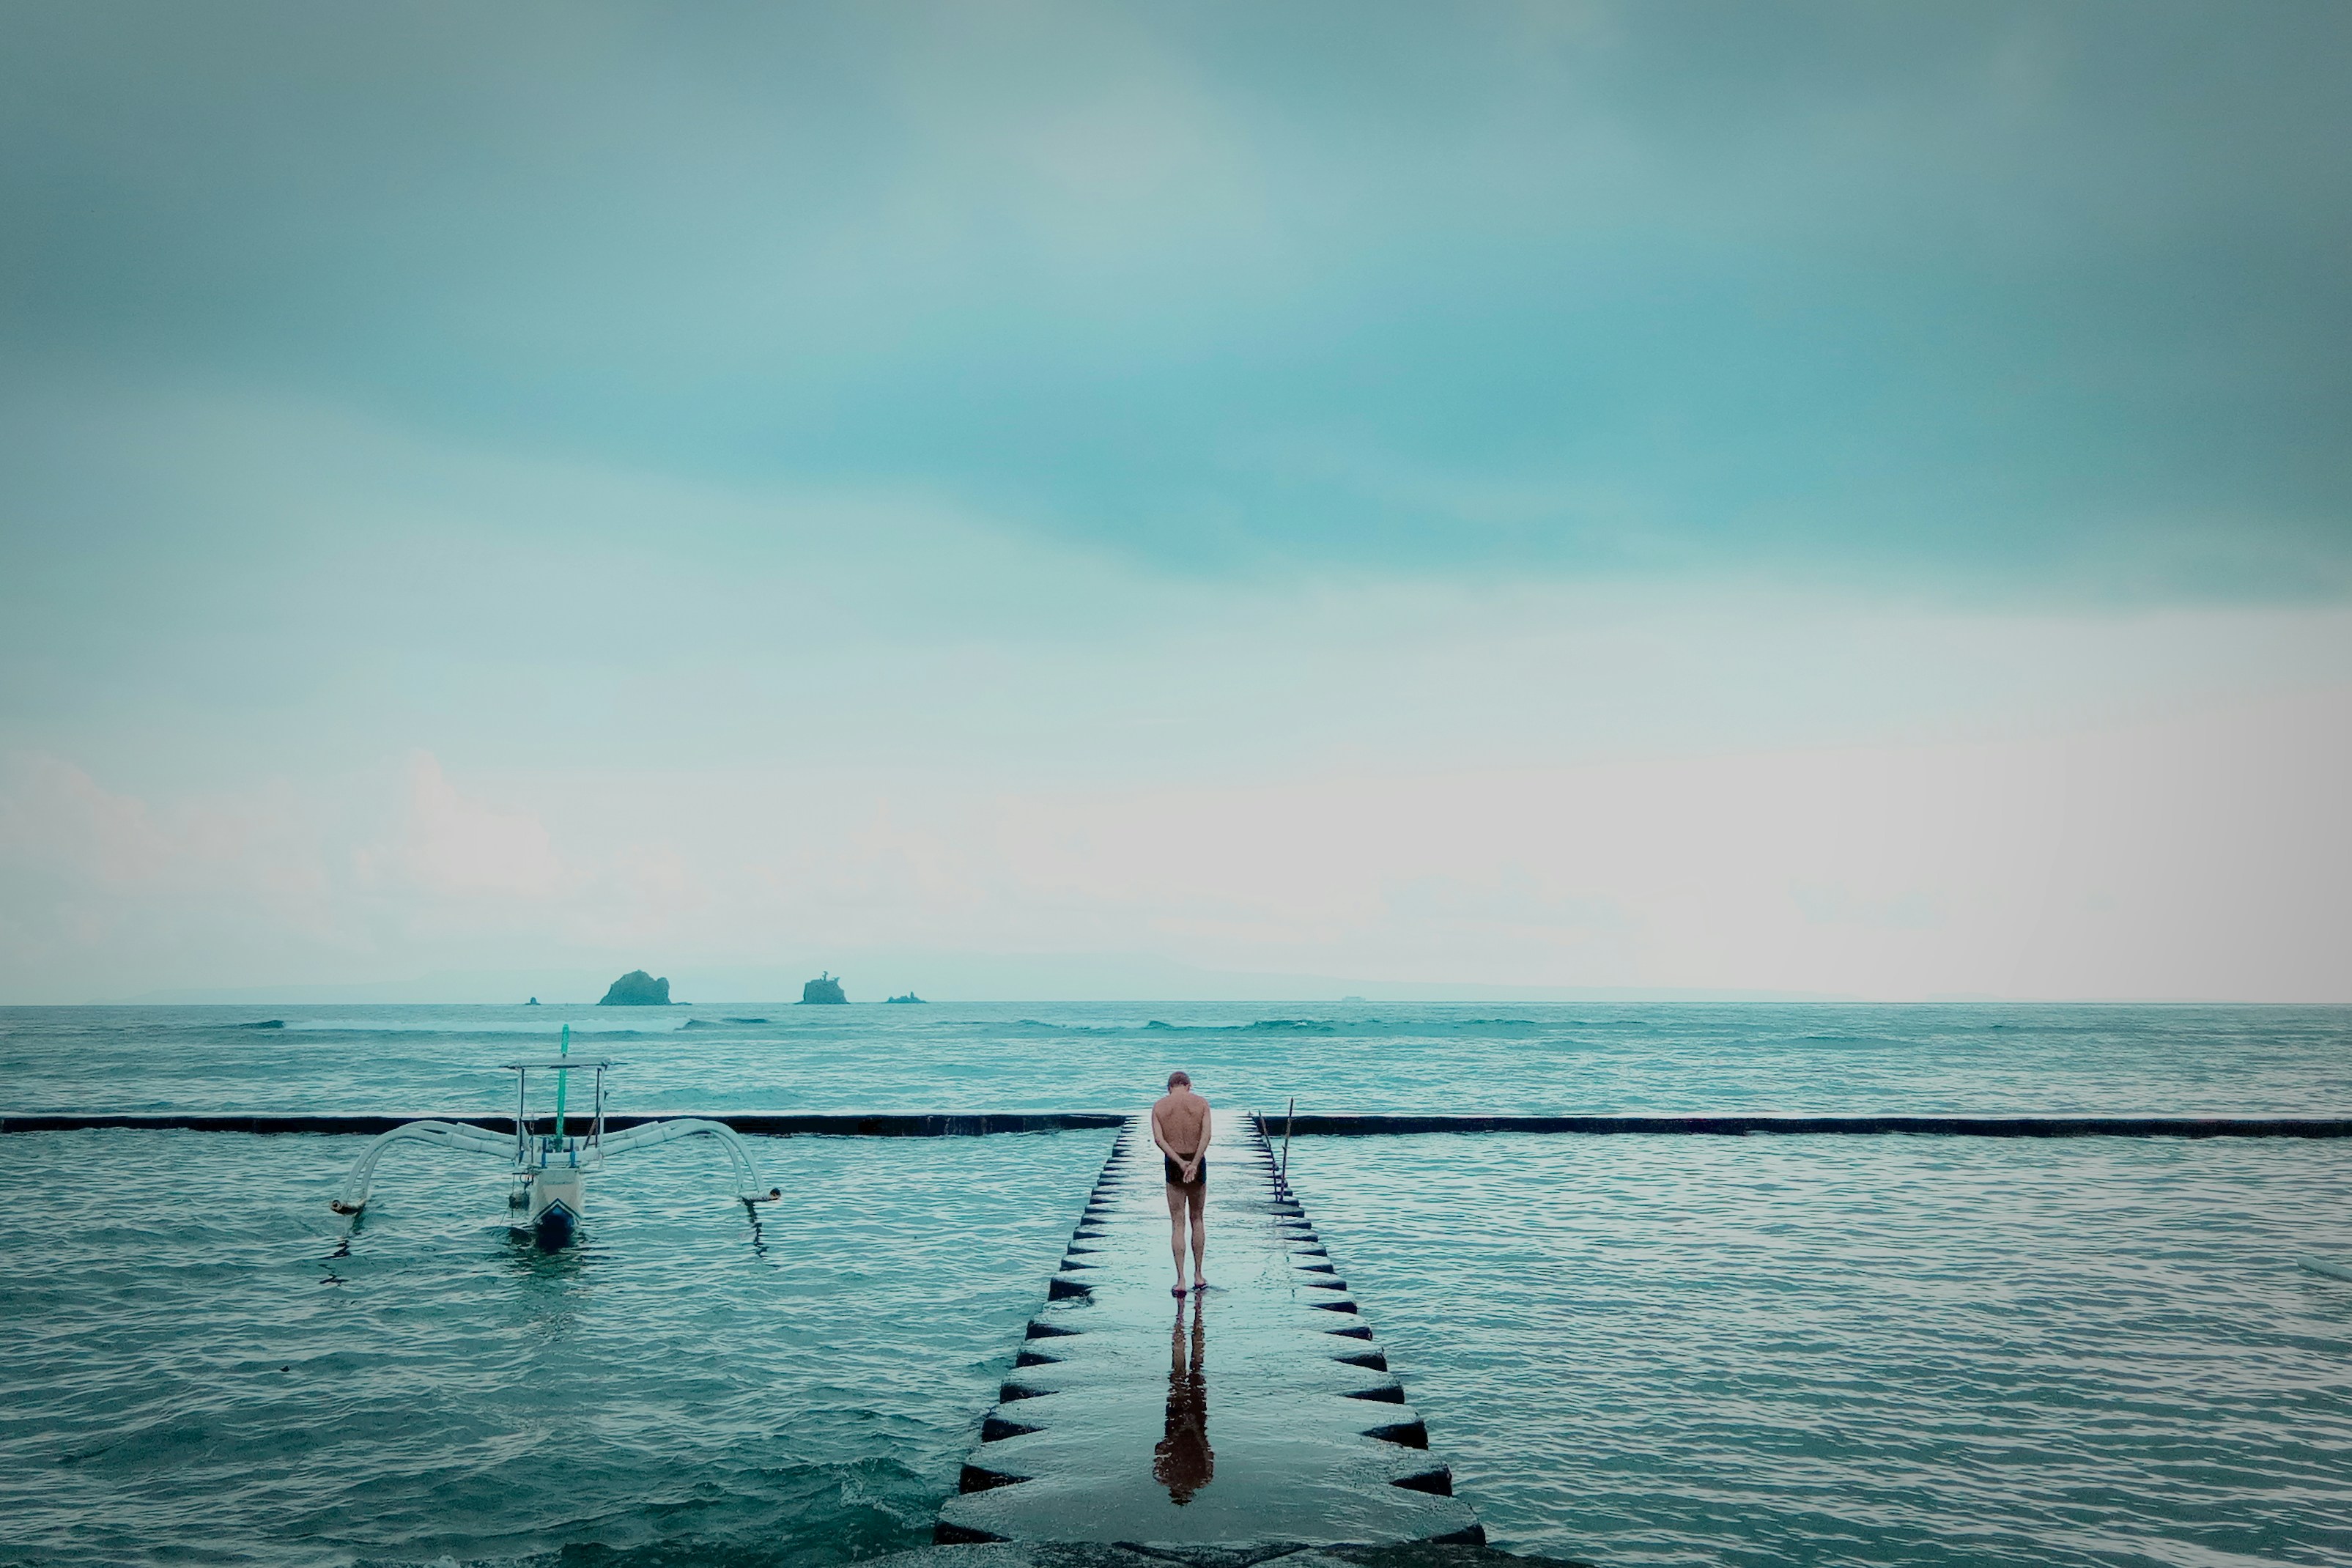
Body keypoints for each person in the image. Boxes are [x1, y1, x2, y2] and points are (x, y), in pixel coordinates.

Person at [1152, 1069, 1211, 1295]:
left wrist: (1179, 1163)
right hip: (1197, 1162)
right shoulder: (1201, 1104)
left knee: (1178, 1223)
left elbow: (1159, 1139)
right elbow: (1206, 1136)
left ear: (1169, 1088)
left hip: (1174, 1164)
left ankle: (1181, 1280)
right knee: (1197, 1218)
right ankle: (1198, 1274)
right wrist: (1194, 1163)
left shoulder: (1159, 1107)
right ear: (1189, 1085)